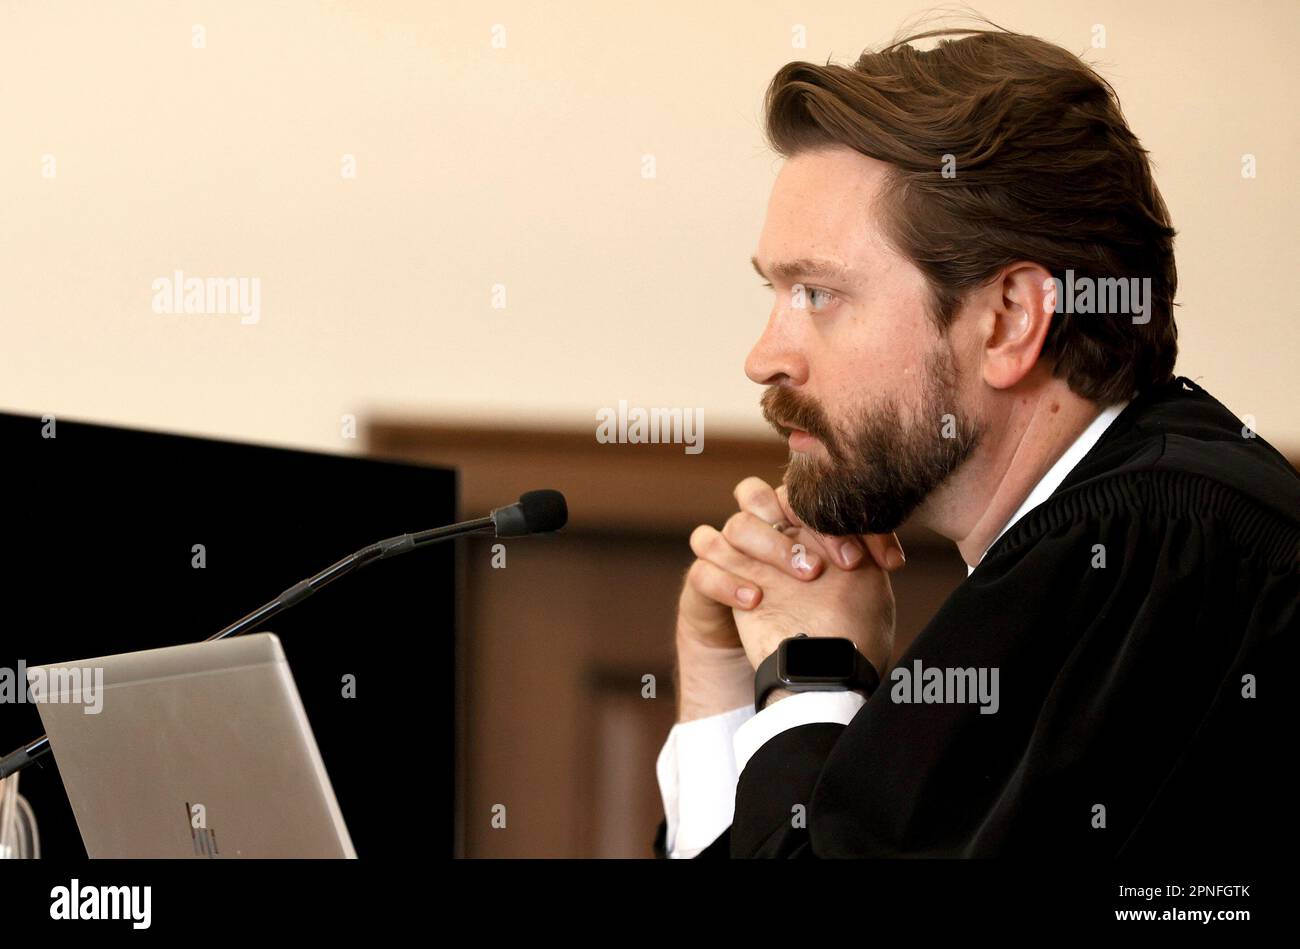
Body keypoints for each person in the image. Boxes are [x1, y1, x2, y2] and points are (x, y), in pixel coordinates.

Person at [654, 25, 1299, 859]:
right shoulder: (1115, 537)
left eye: (816, 293)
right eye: (774, 292)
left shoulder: (1155, 553)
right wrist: (722, 691)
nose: (763, 357)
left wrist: (810, 674)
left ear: (1009, 321)